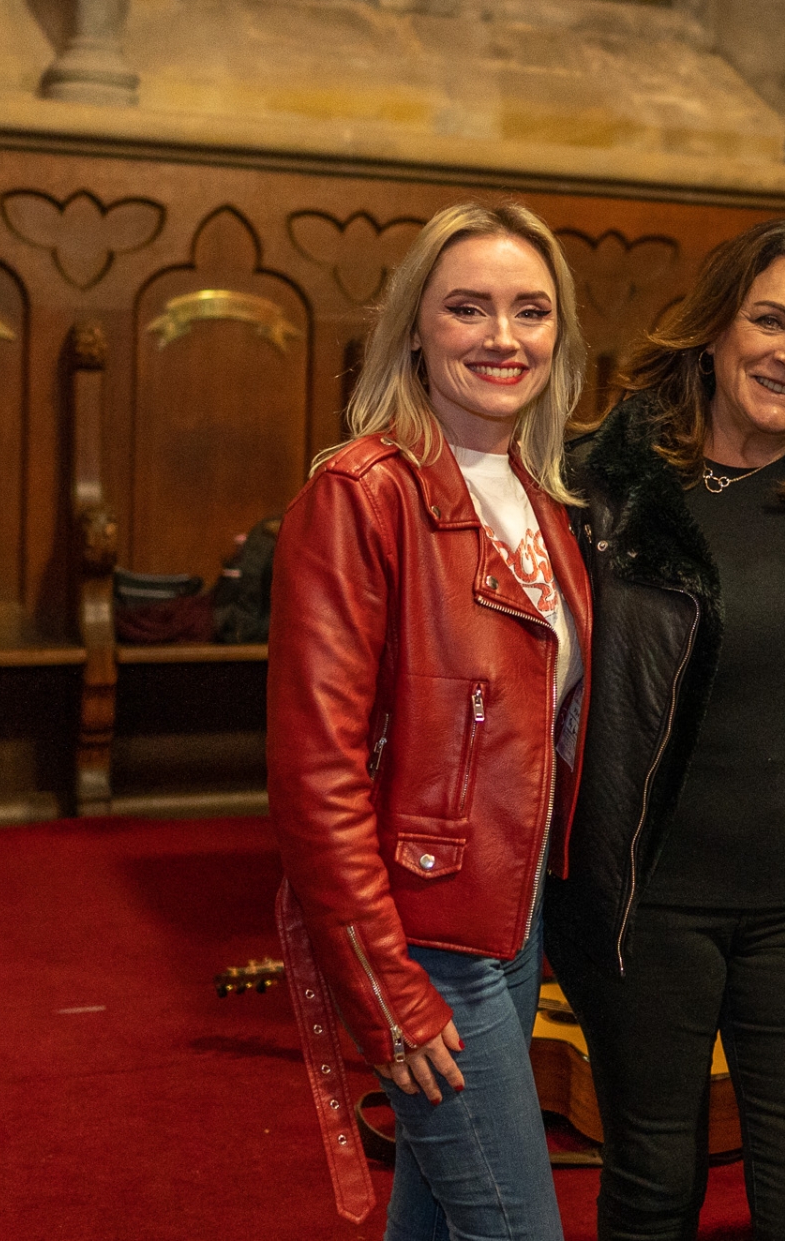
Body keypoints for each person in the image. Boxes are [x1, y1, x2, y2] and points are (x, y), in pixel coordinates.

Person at [542, 218, 785, 1241]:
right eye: (770, 320)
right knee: (653, 1184)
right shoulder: (598, 491)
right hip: (646, 901)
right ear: (714, 328)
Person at [269, 201, 592, 1239]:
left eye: (531, 310)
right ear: (415, 326)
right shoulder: (360, 493)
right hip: (425, 939)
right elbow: (315, 774)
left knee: (440, 1221)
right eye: (468, 308)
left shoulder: (543, 493)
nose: (504, 337)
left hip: (514, 922)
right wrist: (383, 984)